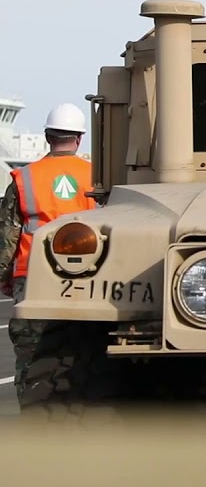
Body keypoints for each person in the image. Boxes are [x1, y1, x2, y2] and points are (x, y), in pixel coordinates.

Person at [0, 103, 97, 402]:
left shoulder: (23, 178)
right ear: (79, 139)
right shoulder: (96, 176)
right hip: (87, 279)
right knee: (83, 353)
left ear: (47, 137)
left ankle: (32, 419)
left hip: (32, 278)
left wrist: (5, 277)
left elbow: (7, 236)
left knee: (30, 358)